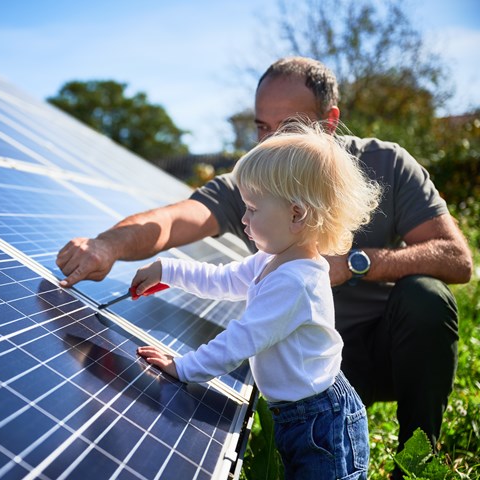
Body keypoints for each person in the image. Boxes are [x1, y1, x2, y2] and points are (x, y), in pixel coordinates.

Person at [56, 57, 473, 466]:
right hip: (300, 371)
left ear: (328, 121)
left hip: (345, 381)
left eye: (287, 126)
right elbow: (193, 243)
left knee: (427, 298)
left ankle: (418, 460)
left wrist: (355, 262)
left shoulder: (380, 167)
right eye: (261, 127)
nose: (270, 140)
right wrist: (112, 247)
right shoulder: (261, 186)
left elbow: (457, 259)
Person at [134, 124, 380, 479]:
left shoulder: (296, 282)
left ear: (297, 215)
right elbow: (222, 280)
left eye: (252, 208)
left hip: (321, 423)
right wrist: (167, 270)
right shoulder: (270, 259)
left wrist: (184, 368)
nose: (244, 220)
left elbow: (242, 339)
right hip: (299, 415)